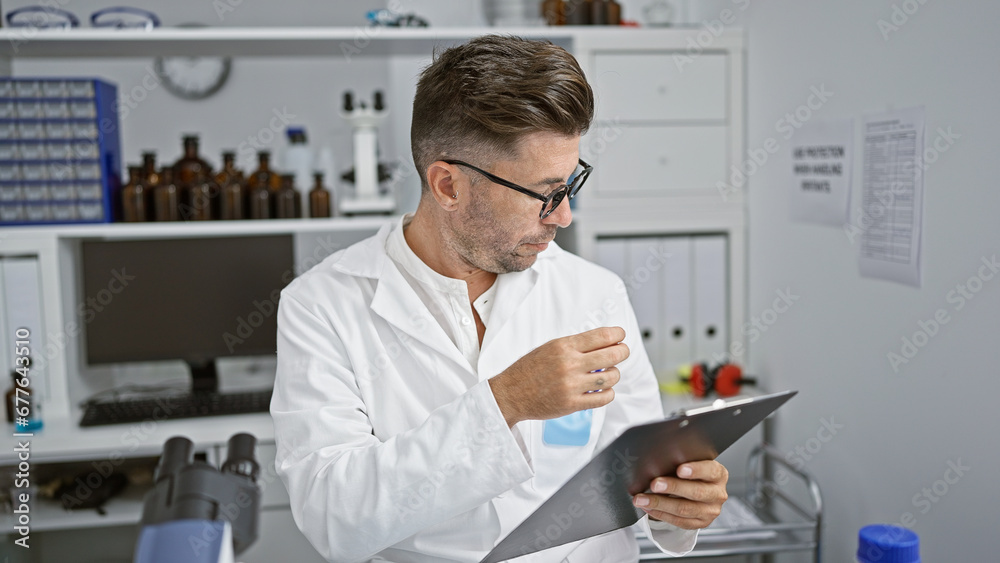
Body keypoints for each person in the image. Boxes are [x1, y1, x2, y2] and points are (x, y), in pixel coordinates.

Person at [271, 35, 728, 563]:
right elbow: (334, 518)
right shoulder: (321, 305)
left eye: (570, 185)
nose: (563, 217)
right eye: (544, 194)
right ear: (447, 186)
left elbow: (639, 470)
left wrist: (680, 506)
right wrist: (506, 401)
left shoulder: (593, 293)